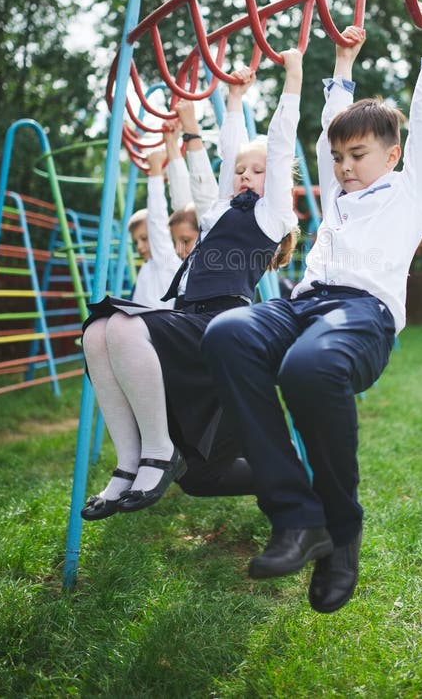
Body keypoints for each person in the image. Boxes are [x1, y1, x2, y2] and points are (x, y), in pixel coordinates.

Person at [202, 4, 422, 614]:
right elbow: (325, 130)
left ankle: (342, 532)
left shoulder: (412, 189)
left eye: (358, 156)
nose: (343, 168)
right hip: (305, 303)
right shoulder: (337, 189)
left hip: (363, 316)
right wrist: (343, 62)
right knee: (227, 331)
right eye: (339, 159)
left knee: (308, 368)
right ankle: (296, 516)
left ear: (392, 156)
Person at [80, 52, 302, 520]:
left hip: (224, 322)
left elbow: (280, 147)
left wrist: (292, 76)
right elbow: (216, 165)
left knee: (123, 328)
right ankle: (127, 461)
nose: (246, 175)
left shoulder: (271, 215)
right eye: (242, 171)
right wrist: (234, 99)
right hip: (188, 316)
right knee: (96, 330)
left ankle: (160, 451)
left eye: (258, 172)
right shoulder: (220, 207)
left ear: (279, 181)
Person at [127, 102, 219, 308]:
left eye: (145, 237)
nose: (178, 248)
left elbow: (160, 220)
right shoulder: (174, 262)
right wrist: (171, 143)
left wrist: (156, 172)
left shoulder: (170, 260)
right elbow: (182, 207)